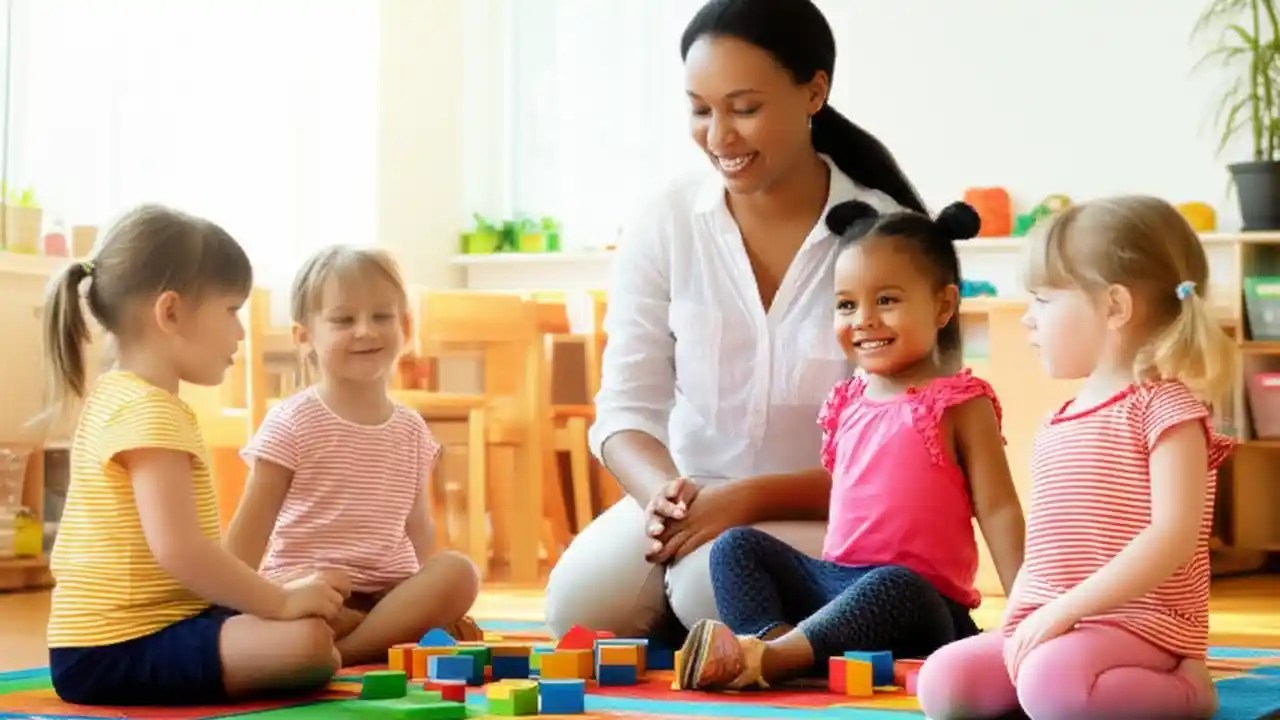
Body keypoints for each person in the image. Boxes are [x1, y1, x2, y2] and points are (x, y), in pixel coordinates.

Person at [545, 0, 932, 640]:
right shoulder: (665, 221)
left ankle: (746, 626)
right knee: (577, 616)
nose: (719, 136)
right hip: (691, 495)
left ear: (814, 92)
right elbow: (625, 409)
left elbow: (900, 449)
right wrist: (662, 496)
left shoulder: (884, 234)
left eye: (744, 108)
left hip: (832, 504)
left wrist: (744, 502)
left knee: (713, 594)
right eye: (701, 109)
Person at [676, 200, 1026, 690]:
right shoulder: (848, 399)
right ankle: (776, 648)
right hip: (835, 585)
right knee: (735, 547)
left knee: (895, 582)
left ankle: (777, 657)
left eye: (886, 300)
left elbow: (999, 509)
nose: (863, 319)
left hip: (920, 604)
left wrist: (1028, 609)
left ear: (944, 305)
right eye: (846, 304)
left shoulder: (960, 403)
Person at [917, 196, 1237, 720]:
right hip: (1052, 619)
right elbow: (1051, 548)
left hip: (1138, 622)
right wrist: (1029, 615)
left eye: (1042, 300)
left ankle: (1187, 691)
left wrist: (1068, 610)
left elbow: (1174, 538)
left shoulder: (1167, 410)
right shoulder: (1059, 421)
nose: (1027, 319)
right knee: (944, 683)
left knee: (1051, 687)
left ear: (1114, 306)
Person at [42, 205, 348, 706]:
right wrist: (279, 600)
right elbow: (180, 550)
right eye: (231, 310)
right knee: (309, 642)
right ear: (171, 313)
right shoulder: (147, 412)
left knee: (317, 603)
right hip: (111, 651)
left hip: (155, 627)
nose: (241, 332)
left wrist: (278, 597)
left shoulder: (124, 397)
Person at [226, 246, 481, 667]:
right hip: (311, 593)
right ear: (304, 336)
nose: (365, 331)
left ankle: (344, 653)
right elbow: (248, 538)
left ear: (406, 326)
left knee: (459, 572)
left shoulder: (412, 429)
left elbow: (419, 531)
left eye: (382, 316)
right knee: (305, 620)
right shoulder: (292, 421)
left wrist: (436, 599)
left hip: (388, 598)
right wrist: (238, 604)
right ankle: (374, 642)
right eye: (344, 320)